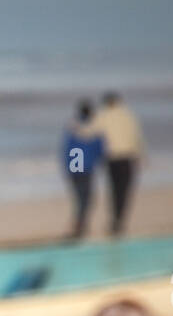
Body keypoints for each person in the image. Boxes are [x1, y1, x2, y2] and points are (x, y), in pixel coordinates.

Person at [94, 91, 146, 235]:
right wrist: (141, 155)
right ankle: (119, 220)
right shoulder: (128, 115)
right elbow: (136, 136)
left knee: (114, 190)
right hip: (127, 157)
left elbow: (93, 134)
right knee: (125, 190)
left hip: (111, 158)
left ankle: (115, 220)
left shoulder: (103, 115)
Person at [61, 99, 104, 239]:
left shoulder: (72, 128)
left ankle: (79, 225)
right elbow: (99, 150)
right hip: (86, 167)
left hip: (75, 166)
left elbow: (67, 149)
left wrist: (67, 167)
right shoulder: (94, 129)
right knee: (86, 199)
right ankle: (80, 225)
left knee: (79, 198)